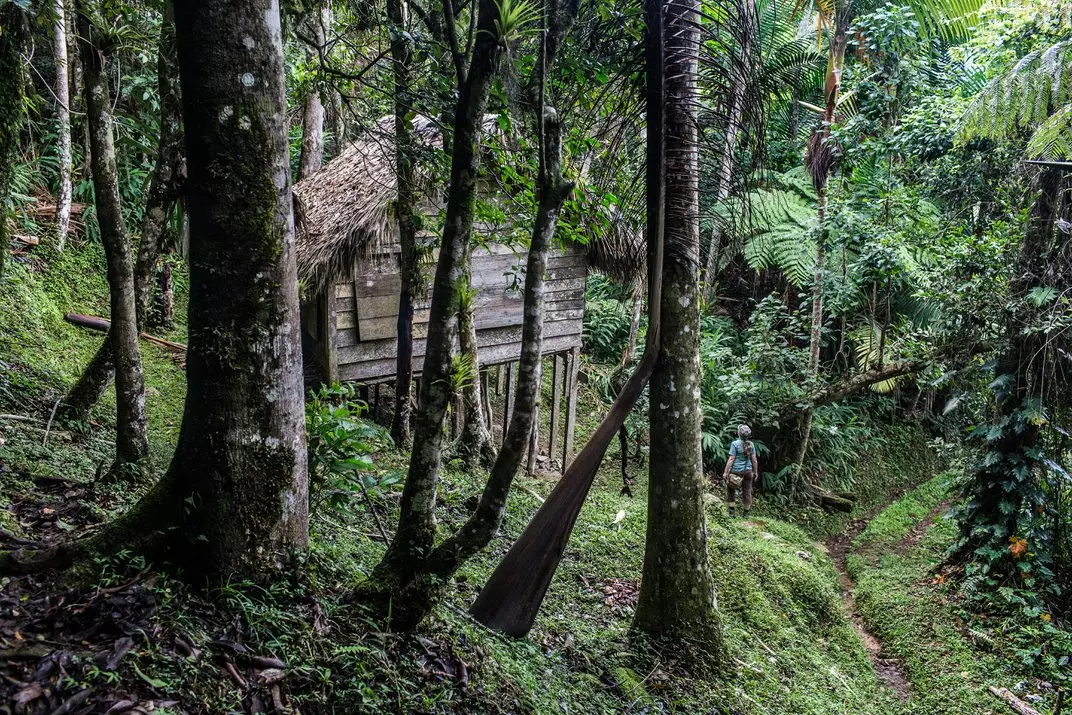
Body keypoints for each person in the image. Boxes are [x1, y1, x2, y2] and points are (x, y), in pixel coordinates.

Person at [723, 424, 758, 518]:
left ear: (739, 433)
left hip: (735, 472)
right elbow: (754, 460)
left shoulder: (735, 444)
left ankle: (731, 513)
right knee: (747, 491)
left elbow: (731, 459)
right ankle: (746, 514)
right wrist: (755, 472)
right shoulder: (751, 445)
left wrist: (726, 472)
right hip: (748, 471)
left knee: (731, 490)